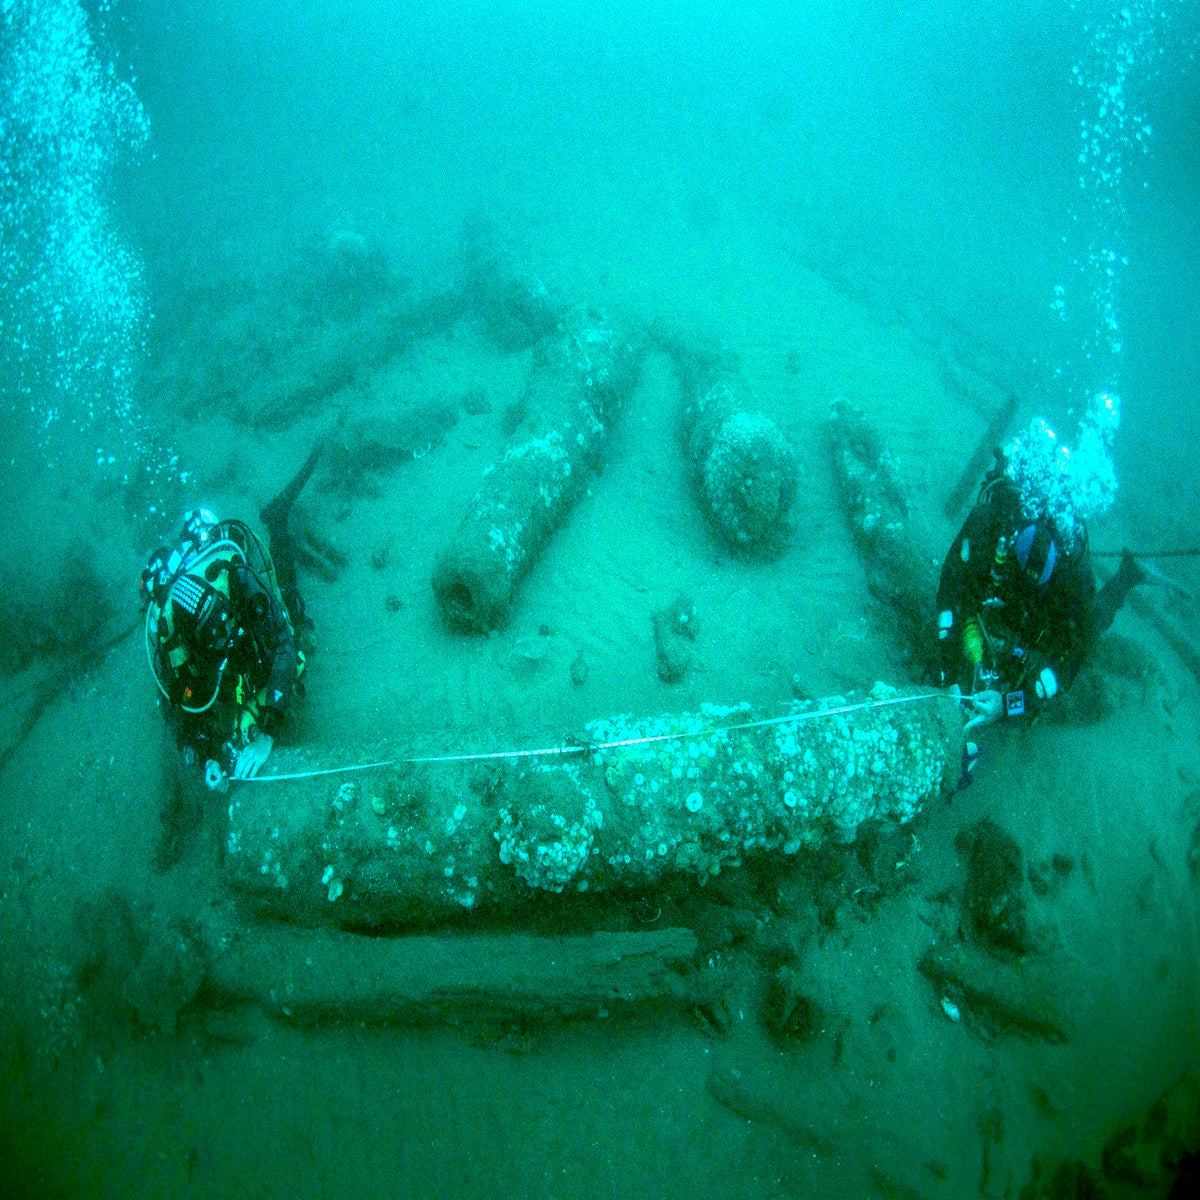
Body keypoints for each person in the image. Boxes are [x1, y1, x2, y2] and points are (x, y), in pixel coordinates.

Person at [141, 445, 322, 787]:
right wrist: (205, 756)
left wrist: (267, 731)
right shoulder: (173, 636)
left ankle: (277, 520)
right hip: (215, 674)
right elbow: (177, 710)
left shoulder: (236, 579)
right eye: (214, 636)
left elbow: (283, 642)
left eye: (224, 623)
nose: (226, 636)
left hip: (255, 623)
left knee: (299, 628)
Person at [936, 454, 1144, 734]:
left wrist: (1007, 706)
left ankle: (1127, 578)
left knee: (1091, 623)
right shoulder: (990, 523)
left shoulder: (1075, 582)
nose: (1022, 588)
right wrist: (947, 664)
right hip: (998, 584)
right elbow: (952, 585)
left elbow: (1064, 671)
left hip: (1044, 612)